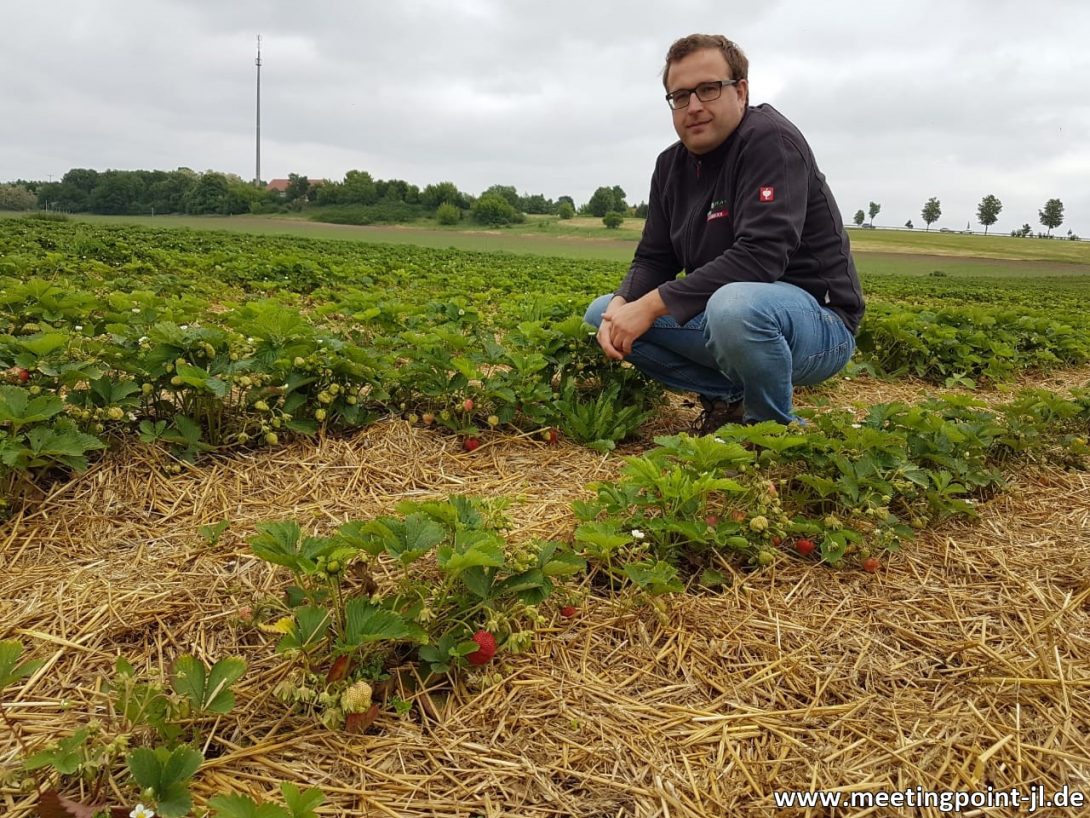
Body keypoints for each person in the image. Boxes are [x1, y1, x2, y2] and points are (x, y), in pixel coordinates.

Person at [585, 34, 864, 432]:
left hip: (819, 324)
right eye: (680, 96)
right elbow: (654, 257)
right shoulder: (670, 166)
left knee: (734, 305)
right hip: (730, 317)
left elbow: (761, 256)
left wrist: (648, 307)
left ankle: (770, 431)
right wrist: (625, 301)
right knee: (603, 315)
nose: (694, 106)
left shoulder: (770, 140)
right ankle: (730, 399)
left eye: (708, 89)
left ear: (741, 91)